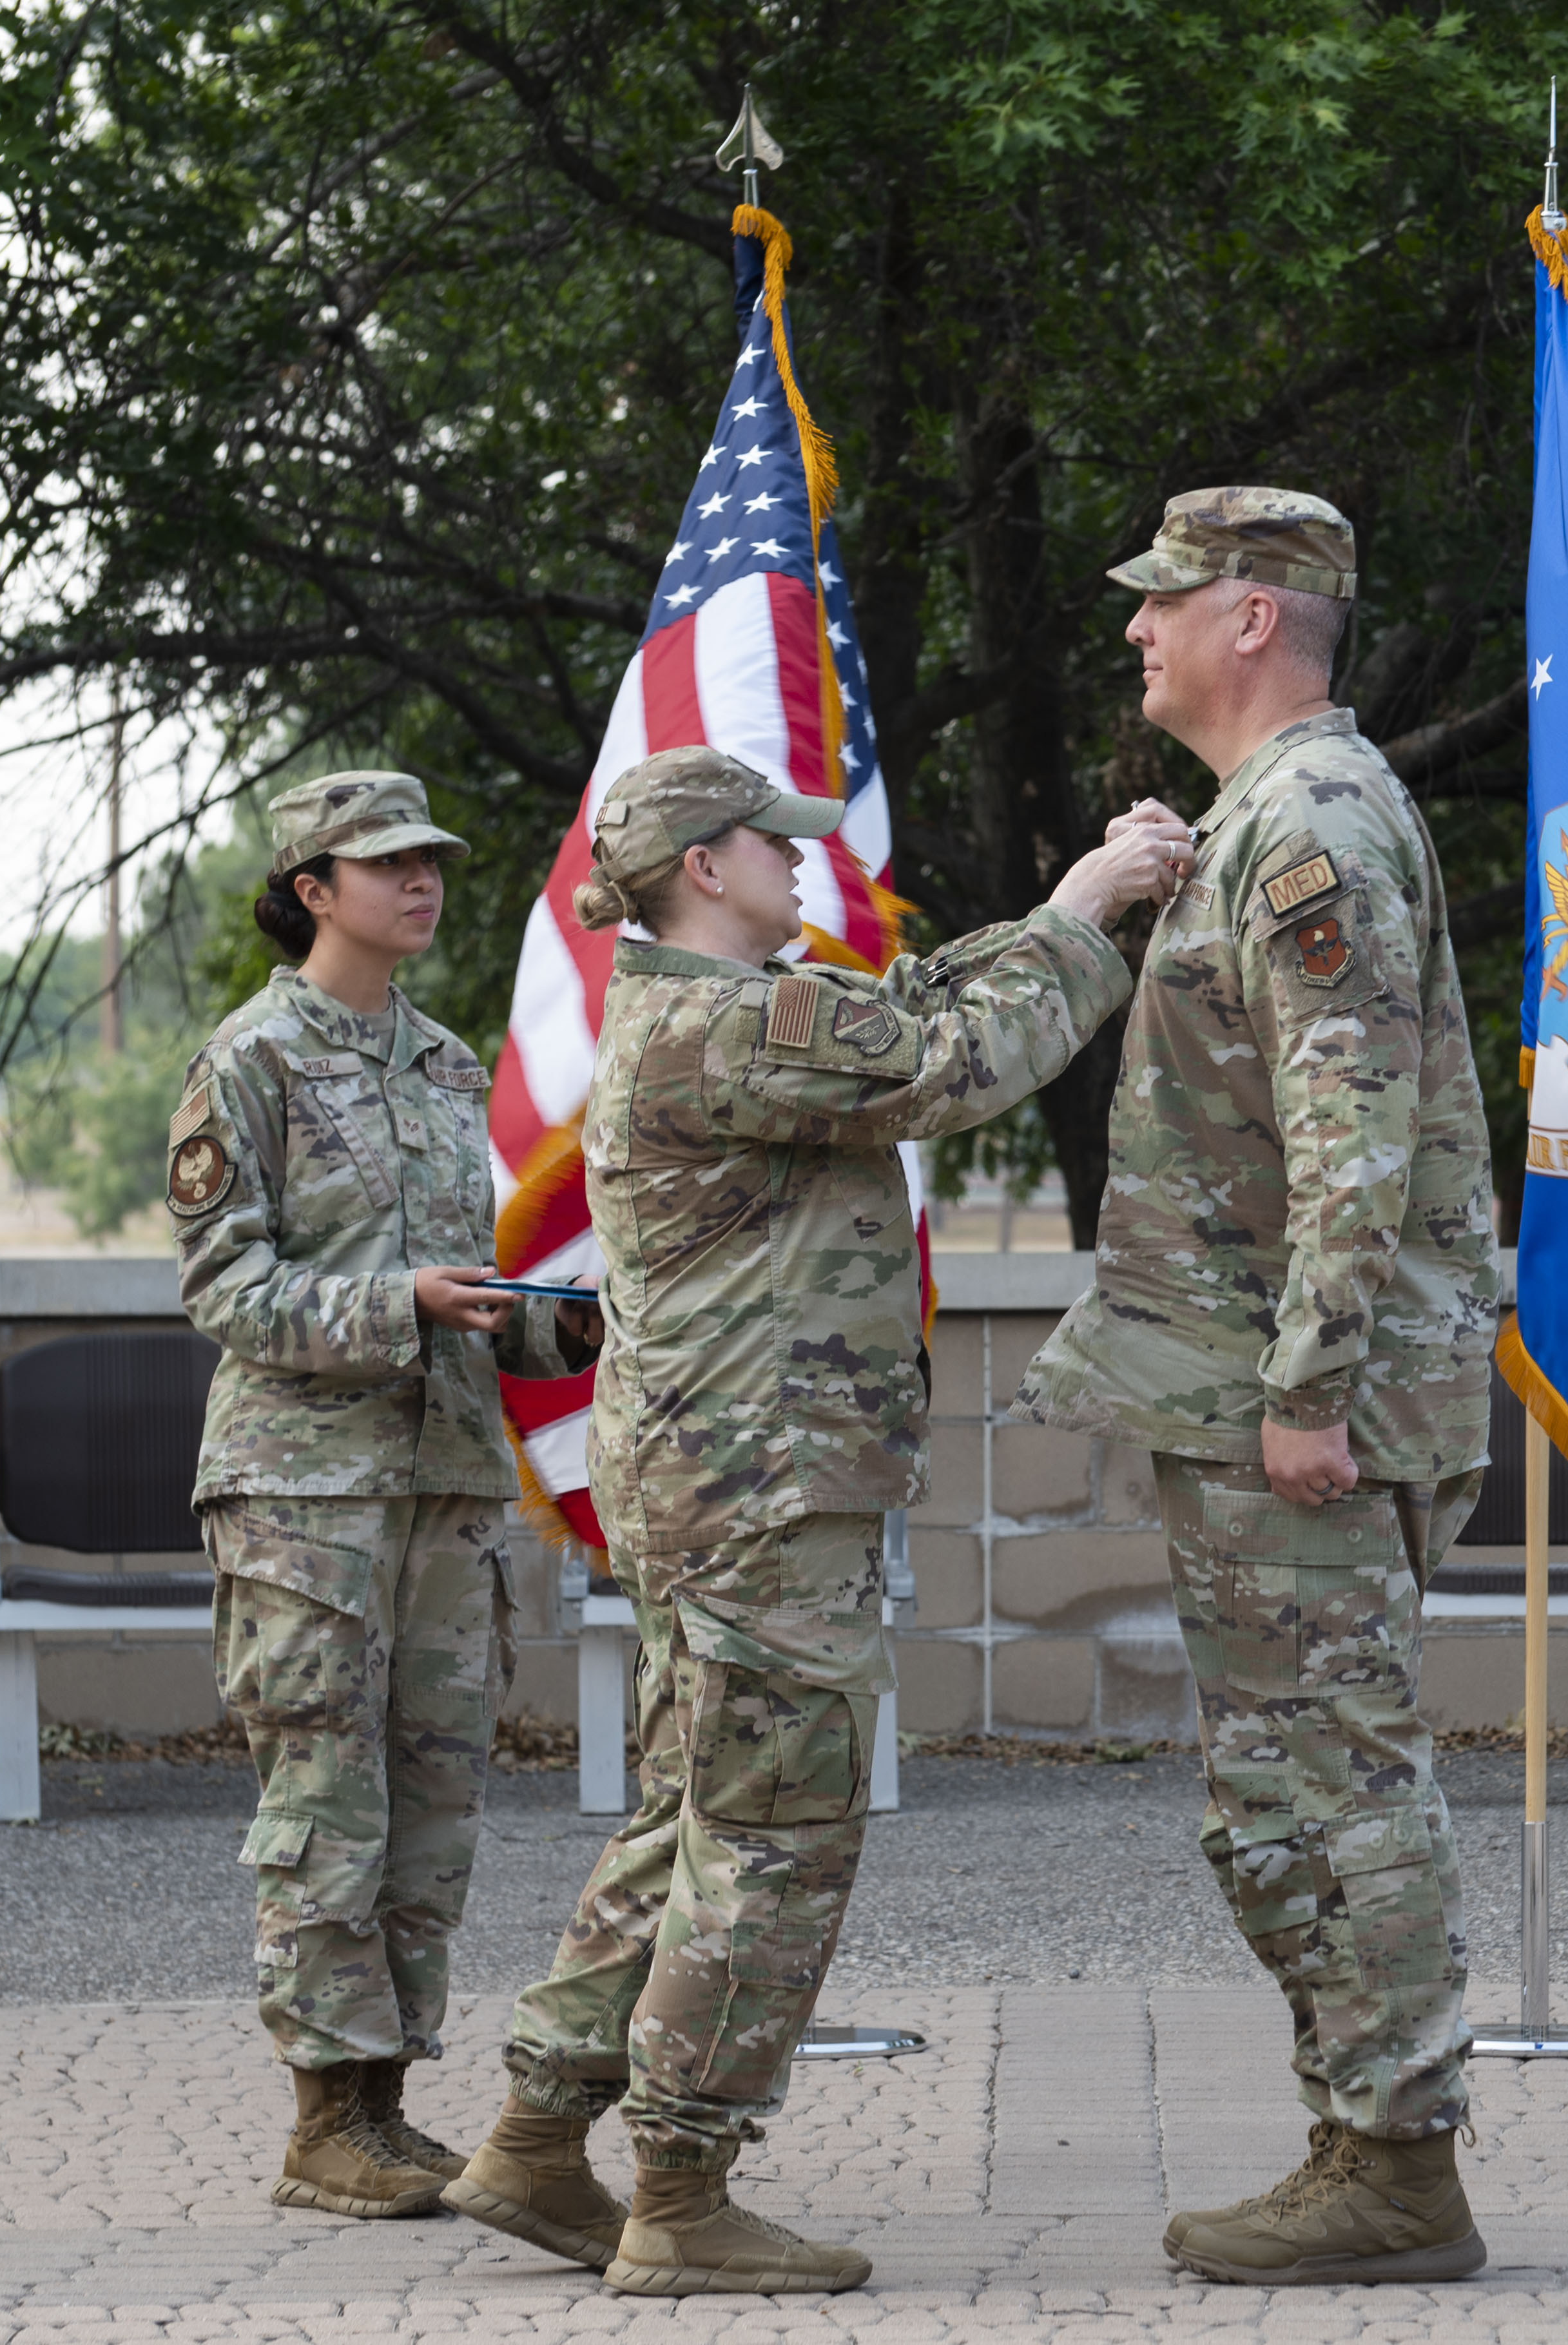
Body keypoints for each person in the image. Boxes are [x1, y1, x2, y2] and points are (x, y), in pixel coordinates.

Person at [447, 745, 1190, 2297]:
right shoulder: (722, 1020)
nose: (802, 863)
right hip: (759, 1492)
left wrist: (1060, 907)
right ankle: (681, 2186)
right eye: (772, 845)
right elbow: (949, 1062)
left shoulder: (706, 1009)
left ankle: (535, 2132)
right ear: (703, 868)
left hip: (721, 1484)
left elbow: (908, 1010)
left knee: (690, 1811)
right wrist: (1089, 909)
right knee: (775, 1834)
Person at [1016, 488, 1504, 2286]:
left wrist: (1305, 1387)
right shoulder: (1268, 820)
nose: (1133, 629)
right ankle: (1358, 2138)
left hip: (1293, 1406)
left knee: (1332, 1783)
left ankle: (1394, 2166)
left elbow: (1348, 1133)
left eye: (1163, 601)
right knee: (1288, 1784)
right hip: (1252, 1390)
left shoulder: (1305, 825)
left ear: (1250, 619)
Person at [173, 771, 600, 2222]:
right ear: (312, 886)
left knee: (433, 1802)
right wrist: (396, 1303)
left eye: (431, 860)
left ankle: (384, 2107)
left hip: (438, 1483)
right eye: (389, 862)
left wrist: (556, 1325)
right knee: (323, 1800)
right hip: (303, 1494)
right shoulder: (250, 1058)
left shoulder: (439, 1058)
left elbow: (460, 1287)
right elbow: (224, 1282)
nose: (422, 881)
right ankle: (319, 2117)